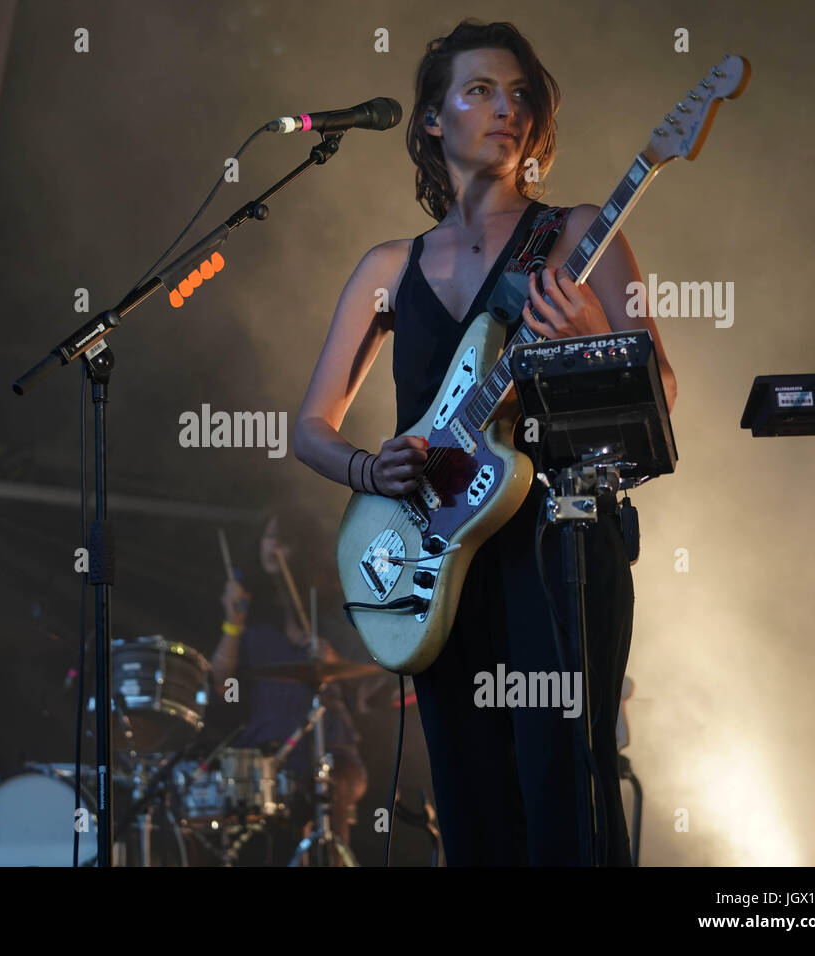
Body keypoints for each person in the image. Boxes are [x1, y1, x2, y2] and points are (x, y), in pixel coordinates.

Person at [293, 20, 677, 865]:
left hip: (560, 548)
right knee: (470, 808)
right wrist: (369, 466)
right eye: (479, 91)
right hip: (440, 564)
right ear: (432, 119)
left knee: (565, 795)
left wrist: (587, 340)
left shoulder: (578, 234)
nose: (506, 108)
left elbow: (663, 390)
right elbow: (308, 428)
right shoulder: (389, 268)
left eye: (519, 94)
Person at [209, 514, 368, 857]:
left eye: (283, 538)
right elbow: (223, 686)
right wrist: (232, 625)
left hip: (330, 748)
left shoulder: (327, 606)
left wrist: (327, 653)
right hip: (267, 755)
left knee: (334, 785)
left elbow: (364, 673)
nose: (273, 545)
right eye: (268, 537)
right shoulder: (246, 608)